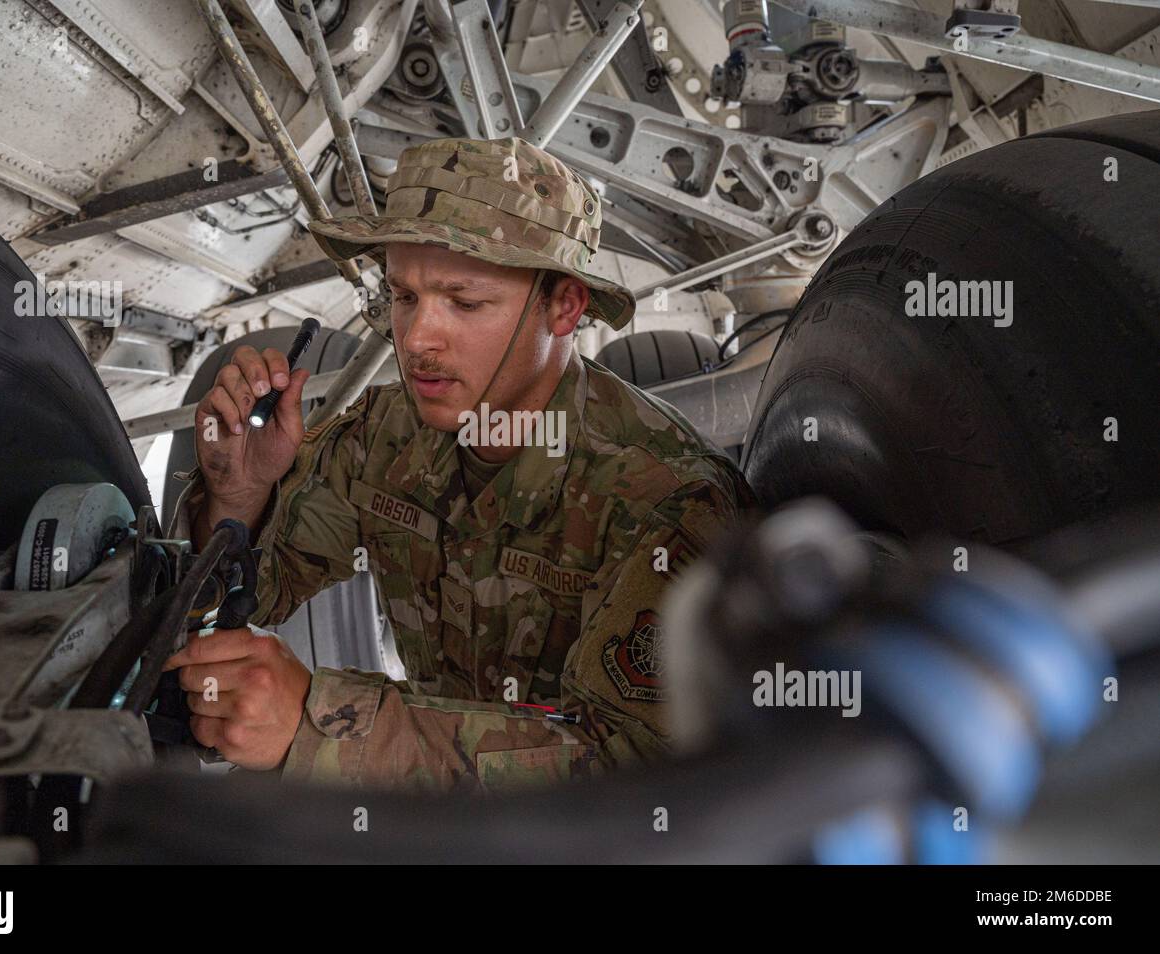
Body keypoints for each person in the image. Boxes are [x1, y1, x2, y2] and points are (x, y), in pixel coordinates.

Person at [165, 136, 754, 791]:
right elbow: (264, 589)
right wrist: (239, 494)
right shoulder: (385, 434)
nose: (416, 338)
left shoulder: (665, 501)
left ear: (564, 306)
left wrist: (321, 724)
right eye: (404, 296)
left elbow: (643, 777)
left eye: (465, 303)